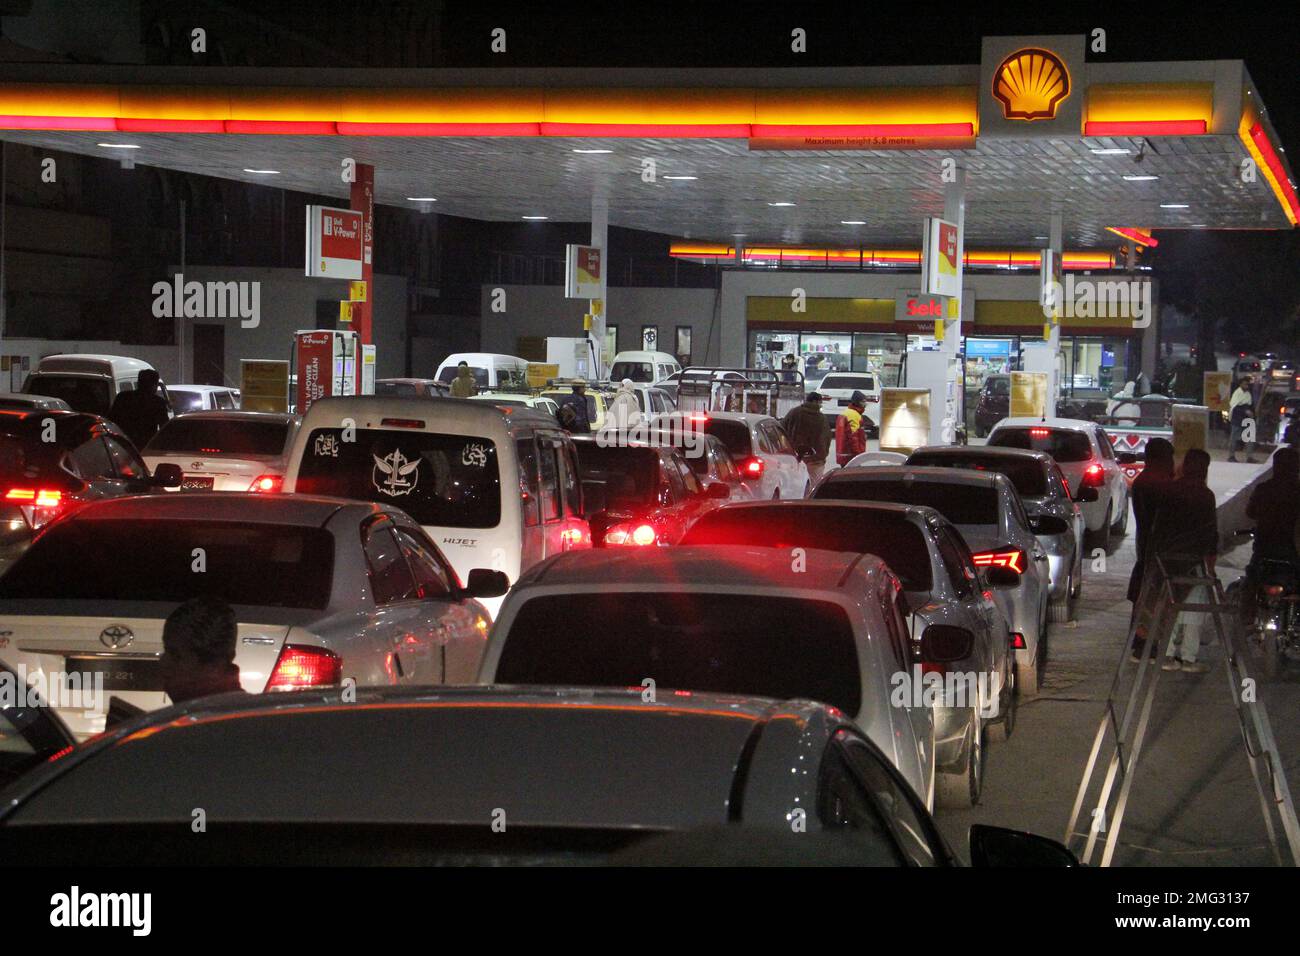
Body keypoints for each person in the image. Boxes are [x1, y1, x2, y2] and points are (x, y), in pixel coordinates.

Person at [1150, 448, 1217, 673]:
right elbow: (1210, 533)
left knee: (1171, 606)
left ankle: (1167, 654)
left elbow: (1157, 526)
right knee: (1194, 610)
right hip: (1193, 561)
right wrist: (1210, 563)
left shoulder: (1169, 490)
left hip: (1167, 560)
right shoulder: (1205, 495)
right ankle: (1189, 658)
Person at [1128, 438, 1175, 661]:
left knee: (1145, 595)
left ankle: (1140, 642)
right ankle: (1144, 644)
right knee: (1152, 598)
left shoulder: (1144, 481)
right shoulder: (1156, 484)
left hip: (1146, 550)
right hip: (1155, 552)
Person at [1241, 446, 1300, 624]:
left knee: (1251, 581)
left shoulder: (1263, 489)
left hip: (1264, 551)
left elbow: (1250, 512)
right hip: (1293, 554)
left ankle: (1246, 621)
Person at [160, 596, 246, 703]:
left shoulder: (203, 715)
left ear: (213, 666)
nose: (163, 661)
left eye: (176, 655)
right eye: (166, 650)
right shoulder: (247, 712)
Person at [108, 369, 170, 450]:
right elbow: (164, 426)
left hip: (123, 444)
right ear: (154, 385)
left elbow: (112, 419)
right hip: (145, 445)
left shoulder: (123, 397)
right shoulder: (157, 402)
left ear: (139, 383)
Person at [781, 392, 831, 487]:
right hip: (815, 460)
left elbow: (781, 429)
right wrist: (822, 455)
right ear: (815, 402)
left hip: (796, 458)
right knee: (814, 488)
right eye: (820, 402)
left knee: (795, 487)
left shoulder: (794, 413)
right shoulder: (822, 418)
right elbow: (826, 438)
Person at [834, 391, 869, 467]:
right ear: (857, 402)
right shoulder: (854, 415)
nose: (865, 404)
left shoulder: (845, 413)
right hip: (851, 456)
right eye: (863, 401)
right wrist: (858, 455)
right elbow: (853, 437)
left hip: (843, 453)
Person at [1228, 377, 1256, 463]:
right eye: (1244, 384)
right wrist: (1245, 411)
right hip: (1237, 417)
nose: (1246, 385)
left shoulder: (1248, 394)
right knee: (1234, 438)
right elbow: (1234, 406)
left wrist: (1251, 413)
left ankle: (1249, 456)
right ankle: (1231, 456)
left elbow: (1249, 405)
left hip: (1246, 418)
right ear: (1241, 384)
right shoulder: (1237, 393)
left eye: (1247, 384)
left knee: (1249, 438)